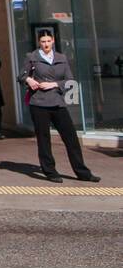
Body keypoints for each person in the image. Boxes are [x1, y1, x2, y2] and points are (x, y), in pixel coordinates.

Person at [21, 31, 99, 183]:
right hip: (39, 103)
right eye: (43, 41)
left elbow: (70, 80)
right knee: (44, 139)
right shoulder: (32, 58)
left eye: (48, 41)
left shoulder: (61, 58)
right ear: (39, 42)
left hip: (57, 102)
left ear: (53, 41)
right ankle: (50, 172)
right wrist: (29, 80)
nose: (46, 44)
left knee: (71, 138)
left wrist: (54, 84)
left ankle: (83, 172)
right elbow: (22, 76)